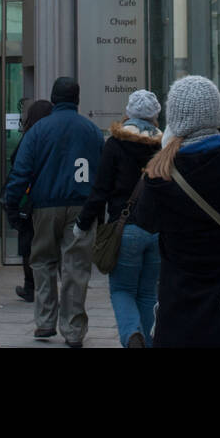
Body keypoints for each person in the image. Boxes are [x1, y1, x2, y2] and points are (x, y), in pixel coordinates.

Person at [134, 76, 220, 347]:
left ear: (173, 120)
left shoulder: (158, 177)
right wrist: (219, 116)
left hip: (183, 322)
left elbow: (144, 221)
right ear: (216, 114)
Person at [3, 76, 103, 347]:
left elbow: (21, 171)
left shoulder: (38, 130)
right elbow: (102, 174)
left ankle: (45, 322)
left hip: (45, 206)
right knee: (76, 266)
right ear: (77, 99)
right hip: (82, 207)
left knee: (43, 261)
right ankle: (73, 329)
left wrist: (12, 202)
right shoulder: (92, 131)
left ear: (54, 98)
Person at [76, 89, 163, 348]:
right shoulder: (164, 146)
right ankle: (144, 340)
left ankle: (130, 334)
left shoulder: (114, 144)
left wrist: (83, 222)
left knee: (122, 290)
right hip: (157, 230)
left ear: (129, 112)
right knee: (148, 293)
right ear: (155, 116)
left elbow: (100, 189)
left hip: (125, 229)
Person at [6, 98, 53, 301]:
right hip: (49, 197)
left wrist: (12, 202)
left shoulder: (29, 137)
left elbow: (18, 166)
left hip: (29, 198)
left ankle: (30, 286)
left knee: (28, 244)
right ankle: (46, 288)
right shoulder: (54, 137)